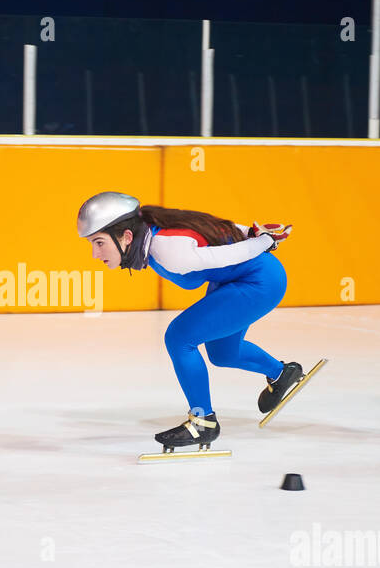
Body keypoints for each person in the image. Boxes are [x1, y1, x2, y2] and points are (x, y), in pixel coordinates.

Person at [77, 191, 297, 451]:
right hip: (236, 281)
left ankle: (203, 421)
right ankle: (282, 374)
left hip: (260, 281)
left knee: (179, 337)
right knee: (223, 353)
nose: (94, 253)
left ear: (126, 237)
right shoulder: (151, 233)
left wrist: (263, 241)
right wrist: (250, 232)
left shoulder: (166, 249)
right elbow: (217, 230)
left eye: (99, 242)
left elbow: (227, 256)